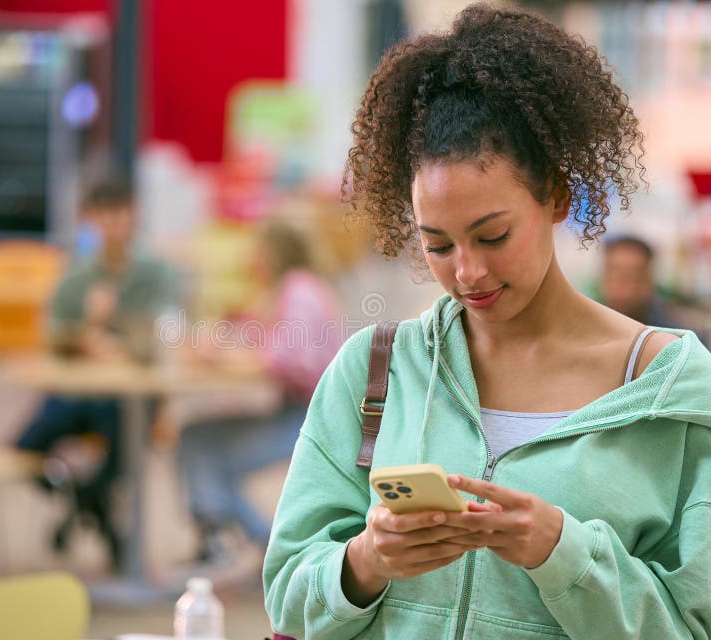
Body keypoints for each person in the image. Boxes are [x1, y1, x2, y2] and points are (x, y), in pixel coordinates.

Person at [263, 4, 711, 639]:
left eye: (492, 235)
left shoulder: (676, 397)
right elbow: (286, 593)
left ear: (556, 194)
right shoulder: (375, 372)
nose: (467, 272)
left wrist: (567, 555)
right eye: (438, 245)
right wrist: (364, 562)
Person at [16, 176, 177, 568]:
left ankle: (97, 512)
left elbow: (166, 331)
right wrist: (88, 332)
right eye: (106, 215)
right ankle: (96, 510)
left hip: (130, 400)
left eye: (122, 213)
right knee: (25, 449)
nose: (115, 224)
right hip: (76, 392)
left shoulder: (154, 273)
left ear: (134, 216)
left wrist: (120, 339)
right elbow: (52, 336)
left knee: (120, 450)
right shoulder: (75, 276)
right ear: (90, 219)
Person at [177, 218, 342, 565]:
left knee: (204, 451)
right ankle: (245, 541)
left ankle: (247, 544)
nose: (254, 259)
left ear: (274, 251)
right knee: (196, 437)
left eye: (259, 249)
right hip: (299, 411)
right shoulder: (295, 289)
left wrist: (221, 360)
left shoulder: (299, 289)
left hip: (310, 420)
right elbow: (261, 343)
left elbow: (283, 361)